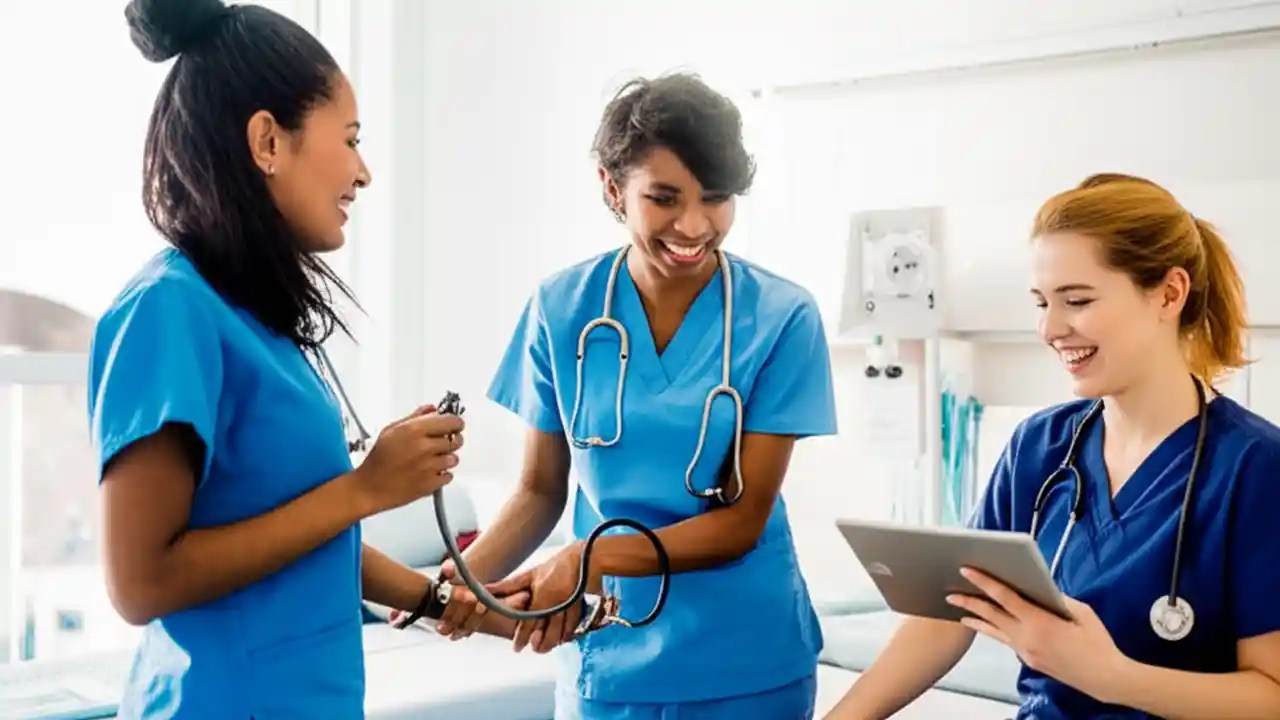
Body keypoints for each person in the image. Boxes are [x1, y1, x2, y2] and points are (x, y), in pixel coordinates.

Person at [91, 1, 523, 717]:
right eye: (349, 139)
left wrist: (452, 601)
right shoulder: (168, 310)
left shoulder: (256, 317)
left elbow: (304, 540)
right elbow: (141, 582)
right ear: (267, 140)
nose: (364, 173)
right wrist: (367, 488)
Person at [422, 73, 838, 719]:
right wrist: (464, 581)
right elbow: (538, 491)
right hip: (608, 659)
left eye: (717, 197)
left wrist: (586, 559)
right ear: (613, 189)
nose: (695, 225)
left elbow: (741, 521)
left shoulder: (783, 317)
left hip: (747, 660)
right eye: (665, 198)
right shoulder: (560, 308)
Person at [824, 173, 1280, 719]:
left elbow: (1271, 694)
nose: (1049, 328)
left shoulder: (1253, 469)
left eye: (1077, 300)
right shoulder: (1040, 447)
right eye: (1042, 302)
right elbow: (950, 610)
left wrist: (1114, 679)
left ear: (1170, 293)